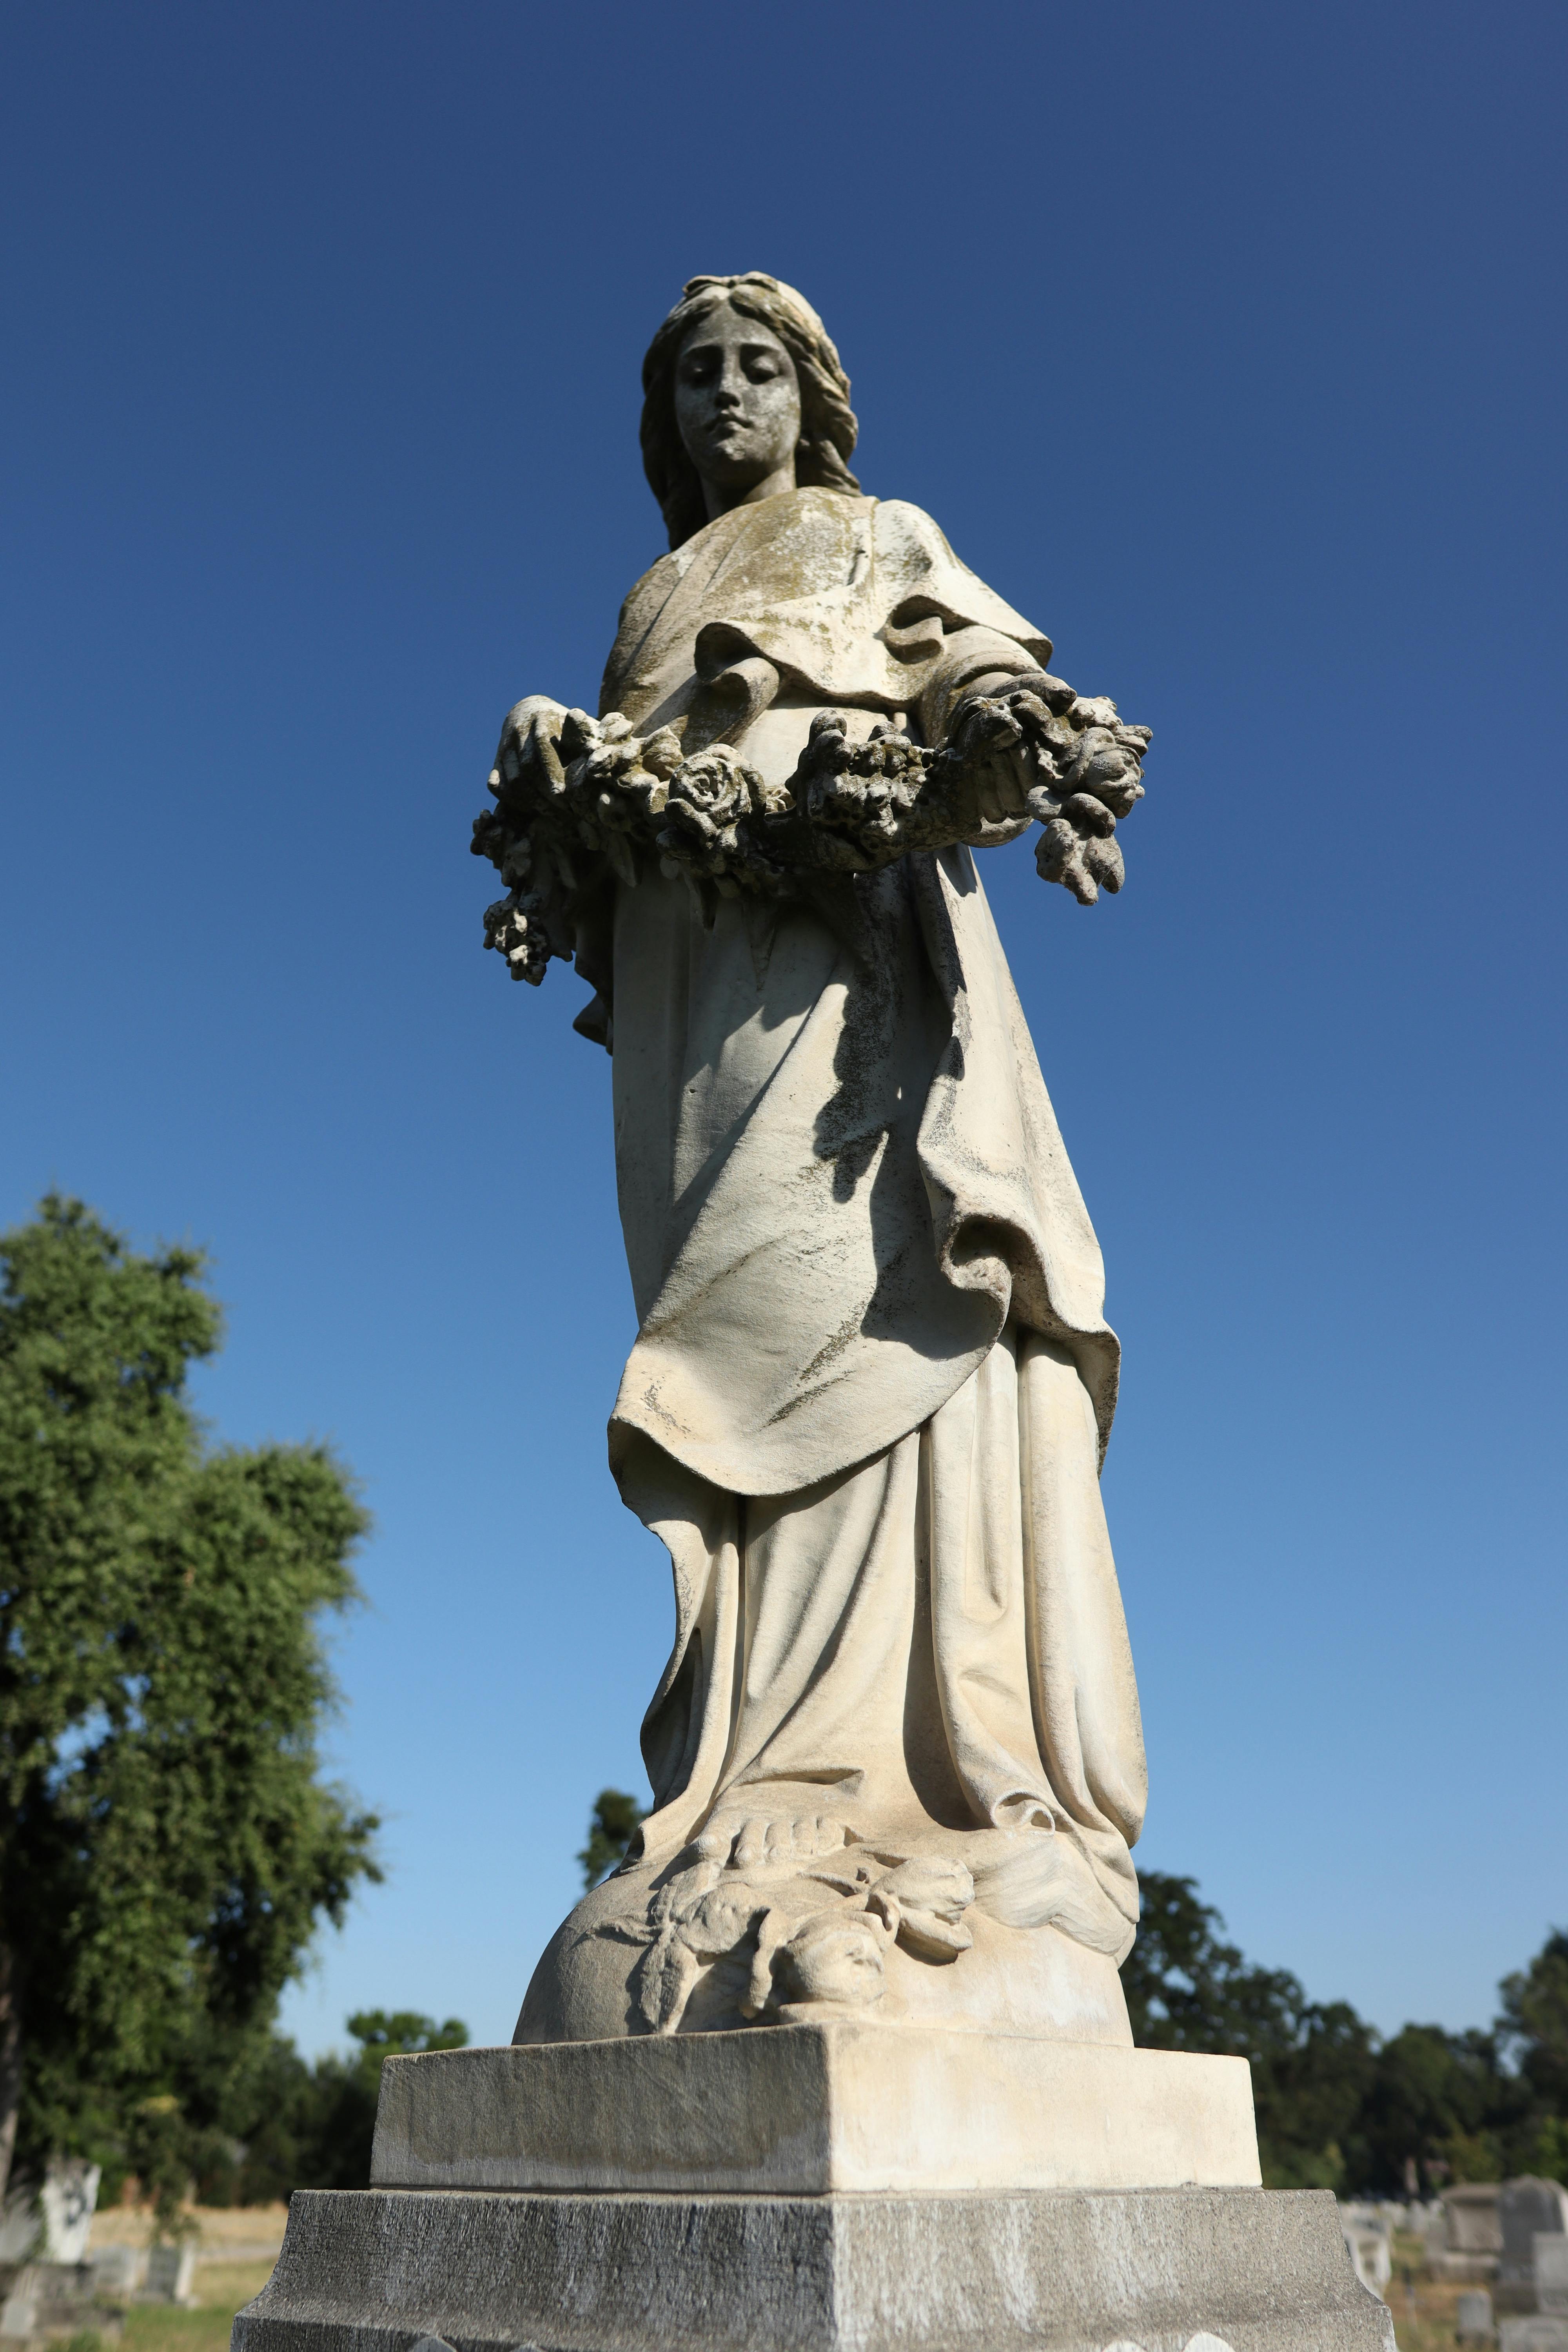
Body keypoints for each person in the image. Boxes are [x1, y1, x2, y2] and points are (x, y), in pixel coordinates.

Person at [491, 275, 1149, 2043]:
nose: (724, 392)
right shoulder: (655, 591)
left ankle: (880, 1777)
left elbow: (986, 676)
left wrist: (1026, 744)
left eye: (754, 365)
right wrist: (568, 765)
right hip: (691, 1010)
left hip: (848, 983)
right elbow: (629, 786)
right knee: (719, 1324)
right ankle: (745, 1769)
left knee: (870, 1290)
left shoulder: (876, 535)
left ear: (812, 394)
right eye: (693, 372)